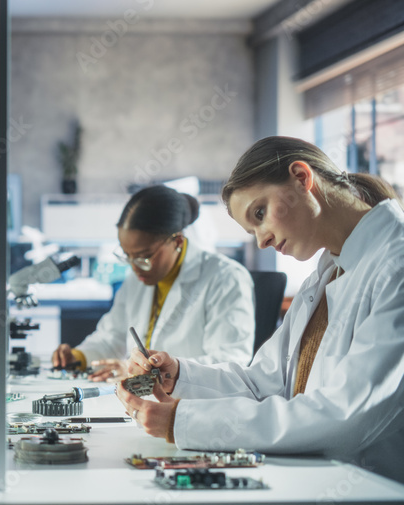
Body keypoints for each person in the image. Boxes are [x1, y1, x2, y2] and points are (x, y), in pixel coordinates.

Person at [118, 136, 404, 483]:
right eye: (252, 229)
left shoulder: (395, 264)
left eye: (260, 213)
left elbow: (346, 417)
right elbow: (262, 383)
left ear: (301, 178)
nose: (262, 241)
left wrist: (183, 423)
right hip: (313, 480)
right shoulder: (329, 270)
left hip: (370, 494)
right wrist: (179, 375)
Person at [52, 185, 255, 380]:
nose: (134, 266)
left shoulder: (226, 278)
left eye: (144, 256)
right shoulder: (137, 280)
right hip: (144, 399)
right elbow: (111, 337)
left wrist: (153, 373)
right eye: (127, 256)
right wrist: (78, 357)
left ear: (177, 241)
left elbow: (230, 363)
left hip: (192, 405)